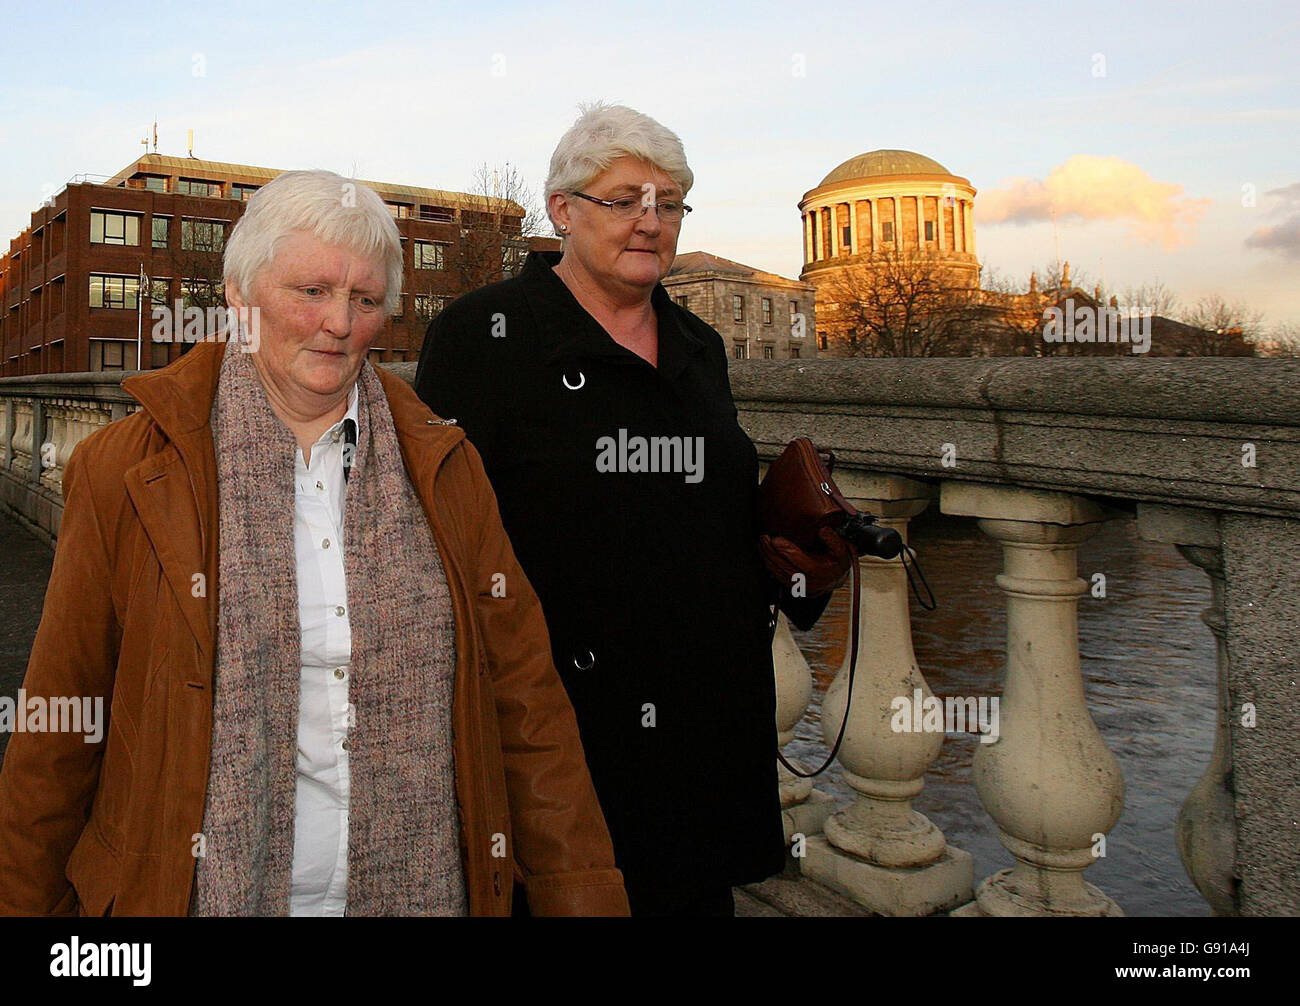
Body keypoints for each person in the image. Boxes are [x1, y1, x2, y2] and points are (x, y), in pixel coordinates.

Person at [0, 169, 628, 917]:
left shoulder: (444, 467)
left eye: (365, 300)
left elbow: (527, 704)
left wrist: (580, 895)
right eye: (312, 292)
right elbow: (60, 730)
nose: (340, 322)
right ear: (240, 297)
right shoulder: (128, 471)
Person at [414, 103, 831, 916]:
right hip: (564, 741)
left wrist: (796, 569)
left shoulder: (698, 345)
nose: (650, 221)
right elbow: (439, 541)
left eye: (668, 202)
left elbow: (705, 522)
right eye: (623, 199)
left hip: (704, 739)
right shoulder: (485, 337)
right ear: (562, 211)